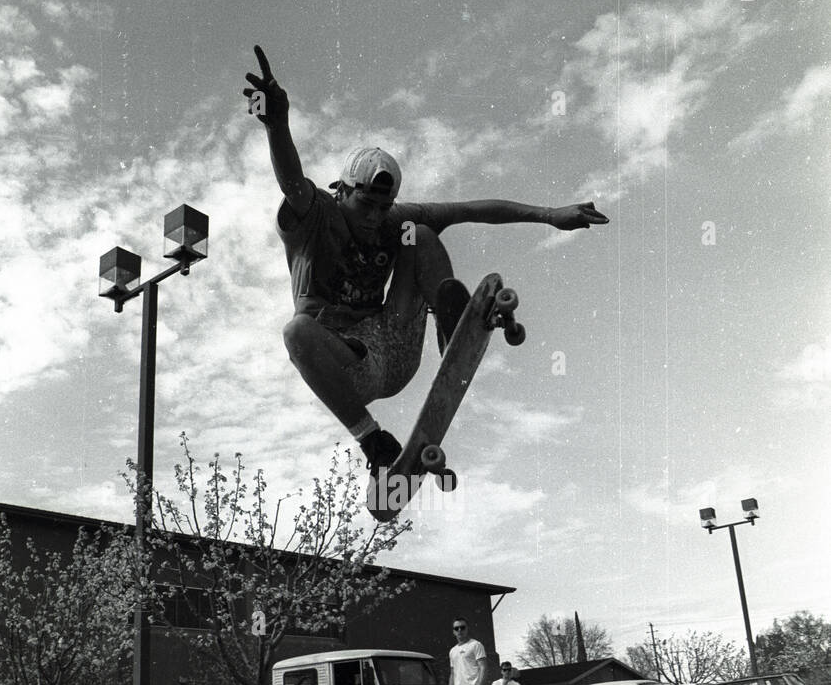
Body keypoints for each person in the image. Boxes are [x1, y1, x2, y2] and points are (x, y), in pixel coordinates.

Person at [243, 46, 609, 472]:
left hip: (395, 348)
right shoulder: (315, 215)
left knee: (420, 232)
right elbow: (291, 182)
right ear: (341, 191)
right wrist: (277, 126)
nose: (376, 216)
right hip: (346, 365)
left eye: (385, 206)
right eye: (366, 204)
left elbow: (471, 209)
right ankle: (372, 441)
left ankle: (450, 329)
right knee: (297, 332)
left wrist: (549, 215)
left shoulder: (393, 220)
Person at [447, 620, 487, 685]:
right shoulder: (452, 651)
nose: (459, 630)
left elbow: (483, 667)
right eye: (456, 628)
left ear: (467, 628)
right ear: (453, 632)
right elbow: (453, 674)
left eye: (462, 627)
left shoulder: (476, 645)